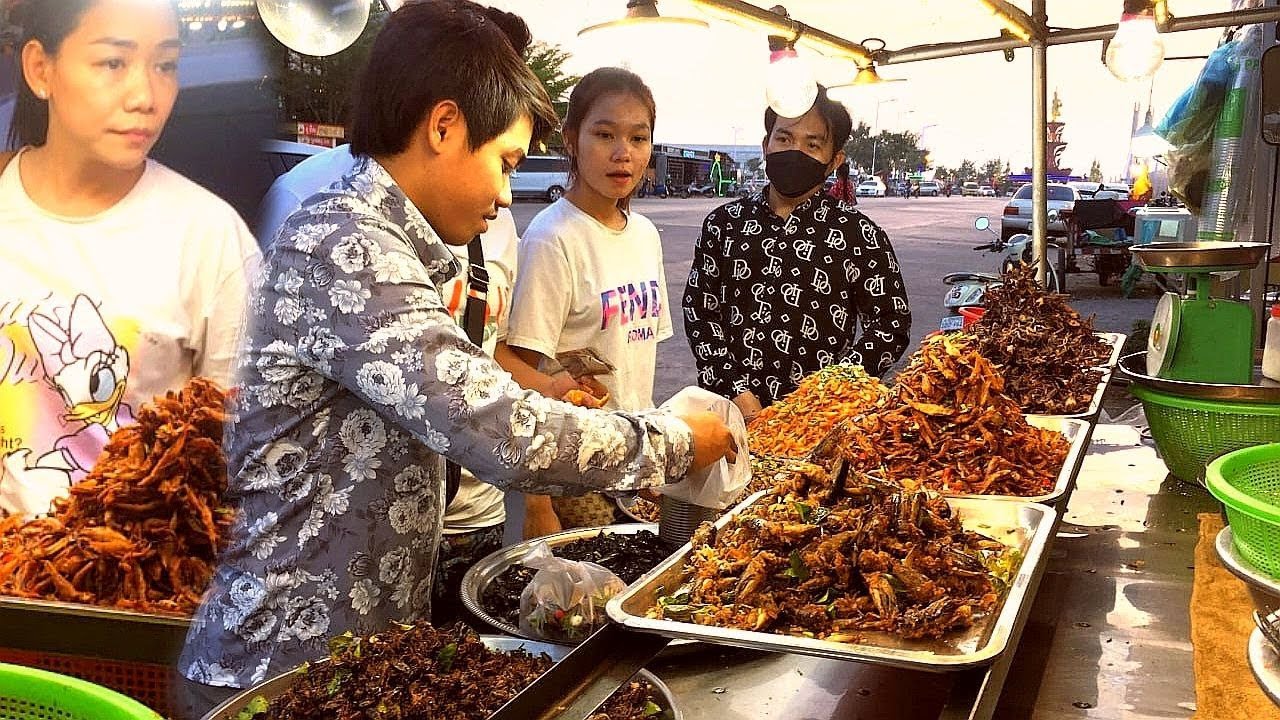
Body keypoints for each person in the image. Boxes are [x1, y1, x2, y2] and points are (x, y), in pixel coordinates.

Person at [175, 4, 734, 717]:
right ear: (443, 128)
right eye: (503, 161)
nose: (507, 194)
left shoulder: (391, 246)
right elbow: (505, 433)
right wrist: (682, 443)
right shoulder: (344, 248)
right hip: (278, 669)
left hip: (350, 663)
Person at [0, 0, 259, 517]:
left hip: (140, 576)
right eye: (113, 63)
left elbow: (242, 453)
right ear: (40, 69)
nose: (145, 96)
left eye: (165, 66)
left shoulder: (210, 238)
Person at [499, 67, 671, 534]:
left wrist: (654, 454)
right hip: (573, 475)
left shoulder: (645, 235)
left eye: (638, 138)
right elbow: (522, 379)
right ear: (571, 140)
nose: (623, 154)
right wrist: (536, 504)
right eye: (604, 134)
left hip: (634, 469)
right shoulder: (552, 239)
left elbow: (638, 367)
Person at [682, 87, 912, 419]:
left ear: (834, 160)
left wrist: (826, 395)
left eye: (812, 144)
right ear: (766, 146)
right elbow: (701, 311)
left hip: (817, 425)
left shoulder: (860, 235)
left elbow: (891, 325)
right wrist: (735, 391)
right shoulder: (724, 224)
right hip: (725, 417)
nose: (795, 151)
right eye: (785, 139)